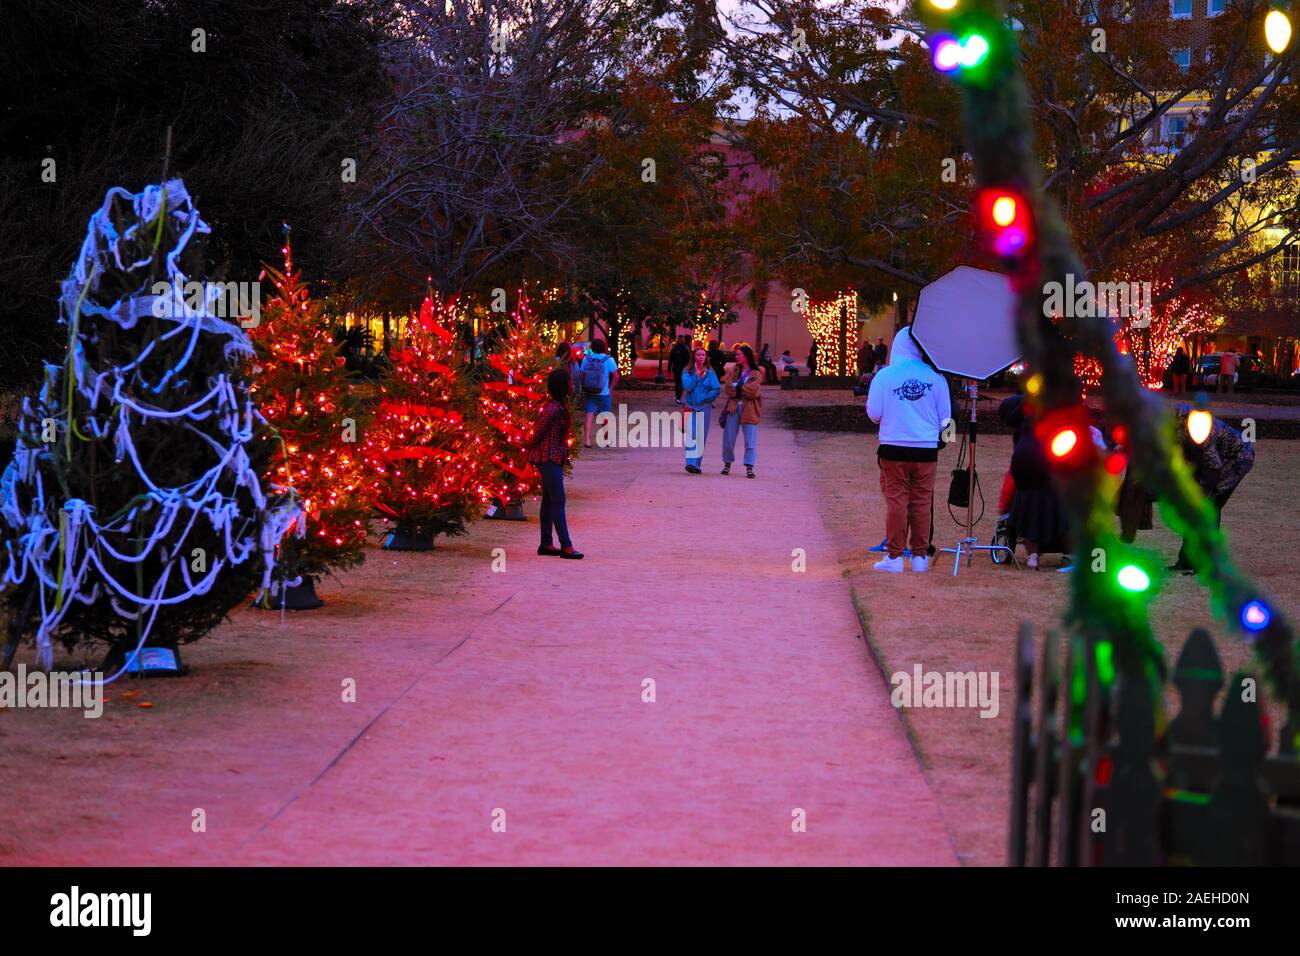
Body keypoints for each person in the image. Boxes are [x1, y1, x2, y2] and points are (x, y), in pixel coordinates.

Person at [866, 326, 950, 573]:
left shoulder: (884, 376)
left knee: (896, 502)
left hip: (894, 448)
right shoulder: (936, 378)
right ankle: (920, 557)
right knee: (922, 502)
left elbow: (874, 414)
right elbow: (946, 419)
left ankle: (894, 557)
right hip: (926, 449)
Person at [1170, 405, 1254, 573]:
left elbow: (1213, 467)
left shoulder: (1202, 433)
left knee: (1210, 510)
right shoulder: (1177, 429)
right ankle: (1186, 560)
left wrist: (1202, 494)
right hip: (1210, 461)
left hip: (1236, 458)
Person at [998, 393, 1069, 570]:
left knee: (1027, 502)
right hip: (1049, 455)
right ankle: (1068, 555)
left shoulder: (1029, 405)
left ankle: (1033, 556)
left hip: (1025, 457)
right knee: (1057, 505)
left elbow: (1011, 419)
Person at [527, 368, 583, 559]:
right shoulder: (552, 410)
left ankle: (546, 543)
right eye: (570, 382)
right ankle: (566, 545)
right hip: (547, 458)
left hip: (553, 457)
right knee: (559, 500)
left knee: (550, 500)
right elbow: (537, 433)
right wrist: (530, 449)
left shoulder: (558, 407)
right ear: (562, 386)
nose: (573, 385)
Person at [717, 344, 764, 478]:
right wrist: (742, 388)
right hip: (733, 407)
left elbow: (754, 392)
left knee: (750, 440)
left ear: (746, 356)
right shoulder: (734, 370)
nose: (736, 356)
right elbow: (728, 388)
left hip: (749, 409)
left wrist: (738, 387)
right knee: (729, 438)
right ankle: (727, 463)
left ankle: (749, 466)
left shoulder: (756, 373)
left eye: (739, 354)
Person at [680, 346, 721, 474]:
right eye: (698, 355)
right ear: (694, 357)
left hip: (704, 407)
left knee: (700, 437)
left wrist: (706, 397)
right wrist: (696, 376)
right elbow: (686, 385)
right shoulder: (687, 371)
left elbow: (716, 388)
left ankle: (696, 465)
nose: (701, 357)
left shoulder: (710, 372)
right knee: (691, 435)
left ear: (706, 357)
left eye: (703, 355)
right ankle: (690, 462)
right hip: (690, 406)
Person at [577, 339, 619, 448]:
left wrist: (583, 385)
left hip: (589, 390)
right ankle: (605, 440)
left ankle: (587, 440)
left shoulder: (587, 358)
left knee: (589, 414)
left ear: (592, 347)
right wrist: (611, 389)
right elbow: (616, 376)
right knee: (605, 416)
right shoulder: (609, 359)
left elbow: (581, 374)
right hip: (603, 392)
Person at [668, 335, 691, 405]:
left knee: (677, 383)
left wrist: (669, 368)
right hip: (682, 369)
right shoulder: (685, 349)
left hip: (675, 368)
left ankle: (677, 397)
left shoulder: (674, 349)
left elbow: (670, 359)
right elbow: (688, 360)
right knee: (680, 383)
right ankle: (678, 398)